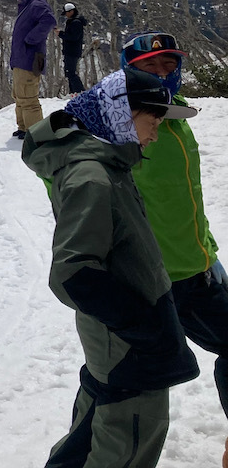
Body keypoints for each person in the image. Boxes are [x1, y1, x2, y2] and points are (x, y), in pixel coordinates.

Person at [22, 65, 200, 468]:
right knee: (126, 445)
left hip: (117, 342)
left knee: (89, 434)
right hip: (127, 347)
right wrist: (142, 326)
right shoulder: (92, 175)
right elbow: (73, 272)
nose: (155, 133)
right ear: (120, 113)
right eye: (151, 121)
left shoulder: (106, 162)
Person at [120, 32, 228, 433]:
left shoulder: (175, 111)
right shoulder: (123, 121)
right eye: (150, 66)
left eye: (169, 65)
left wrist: (209, 251)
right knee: (129, 382)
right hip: (159, 277)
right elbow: (70, 176)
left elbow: (185, 197)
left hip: (197, 266)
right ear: (129, 71)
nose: (163, 73)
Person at [9, 0, 58, 138]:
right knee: (19, 95)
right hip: (20, 59)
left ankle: (36, 133)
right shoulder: (26, 5)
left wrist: (31, 39)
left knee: (28, 97)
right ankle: (24, 128)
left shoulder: (36, 3)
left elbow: (49, 20)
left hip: (29, 59)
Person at [58, 3, 88, 94]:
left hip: (72, 51)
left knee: (71, 72)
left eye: (67, 13)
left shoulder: (76, 23)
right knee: (69, 72)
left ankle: (79, 91)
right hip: (70, 51)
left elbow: (73, 37)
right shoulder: (73, 22)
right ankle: (73, 92)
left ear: (71, 11)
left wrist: (61, 34)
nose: (66, 15)